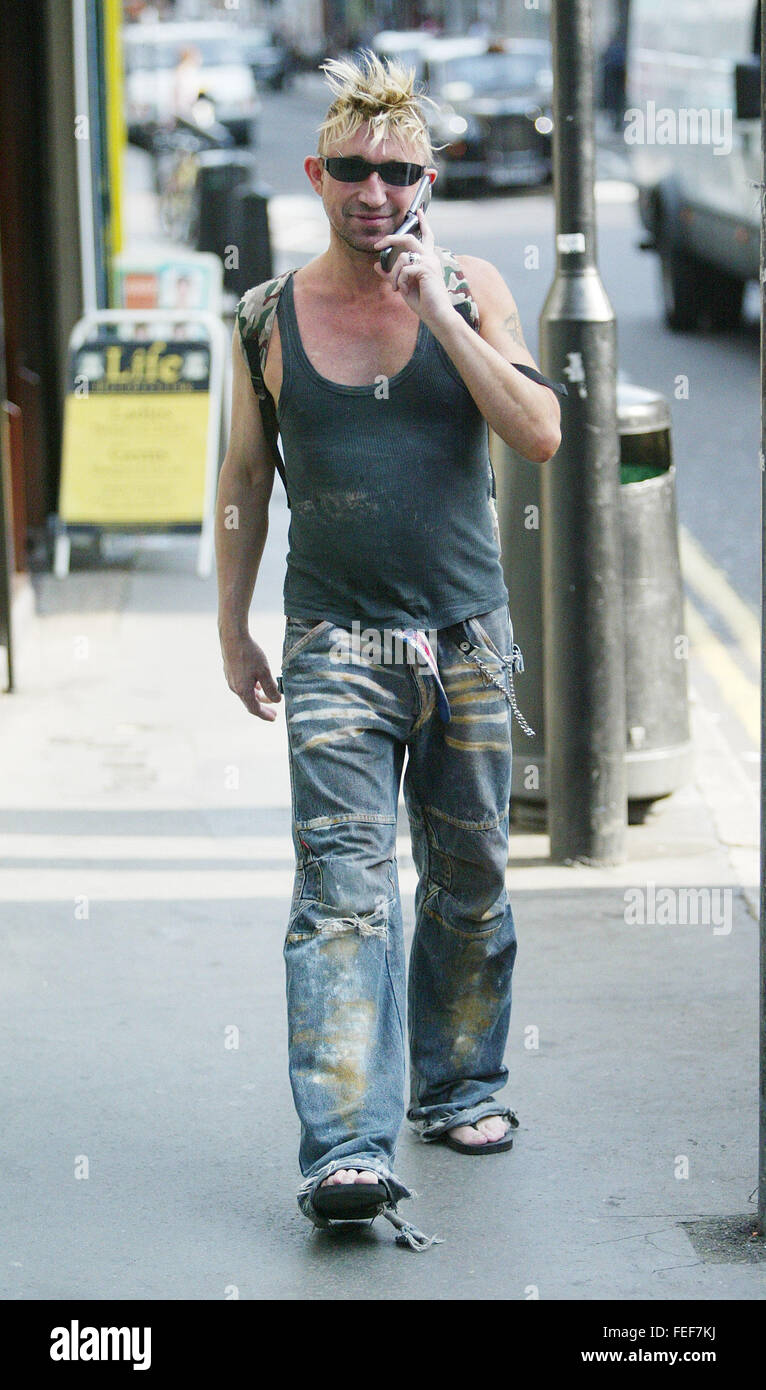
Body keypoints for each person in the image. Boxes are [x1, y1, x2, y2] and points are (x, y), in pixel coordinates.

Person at [215, 52, 561, 1246]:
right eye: (352, 170)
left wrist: (441, 315)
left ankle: (459, 1087)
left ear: (429, 176)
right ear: (316, 174)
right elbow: (242, 485)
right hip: (332, 647)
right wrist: (232, 632)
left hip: (466, 637)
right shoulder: (264, 315)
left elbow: (540, 430)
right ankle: (347, 1151)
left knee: (466, 882)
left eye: (397, 171)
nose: (374, 191)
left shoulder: (469, 285)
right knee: (344, 899)